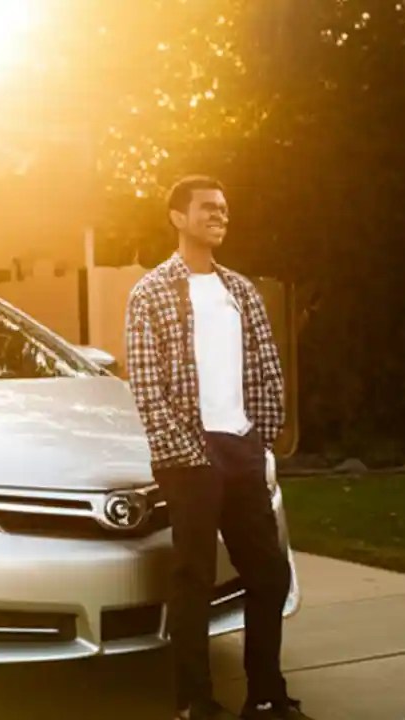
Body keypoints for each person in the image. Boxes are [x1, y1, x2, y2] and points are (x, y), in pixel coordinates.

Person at [124, 175, 309, 720]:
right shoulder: (151, 292)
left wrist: (260, 436)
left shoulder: (239, 291)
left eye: (224, 209)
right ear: (178, 218)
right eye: (207, 208)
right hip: (189, 455)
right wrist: (185, 449)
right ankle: (194, 702)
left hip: (242, 448)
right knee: (194, 579)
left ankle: (266, 696)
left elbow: (267, 368)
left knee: (268, 575)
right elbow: (146, 382)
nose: (219, 216)